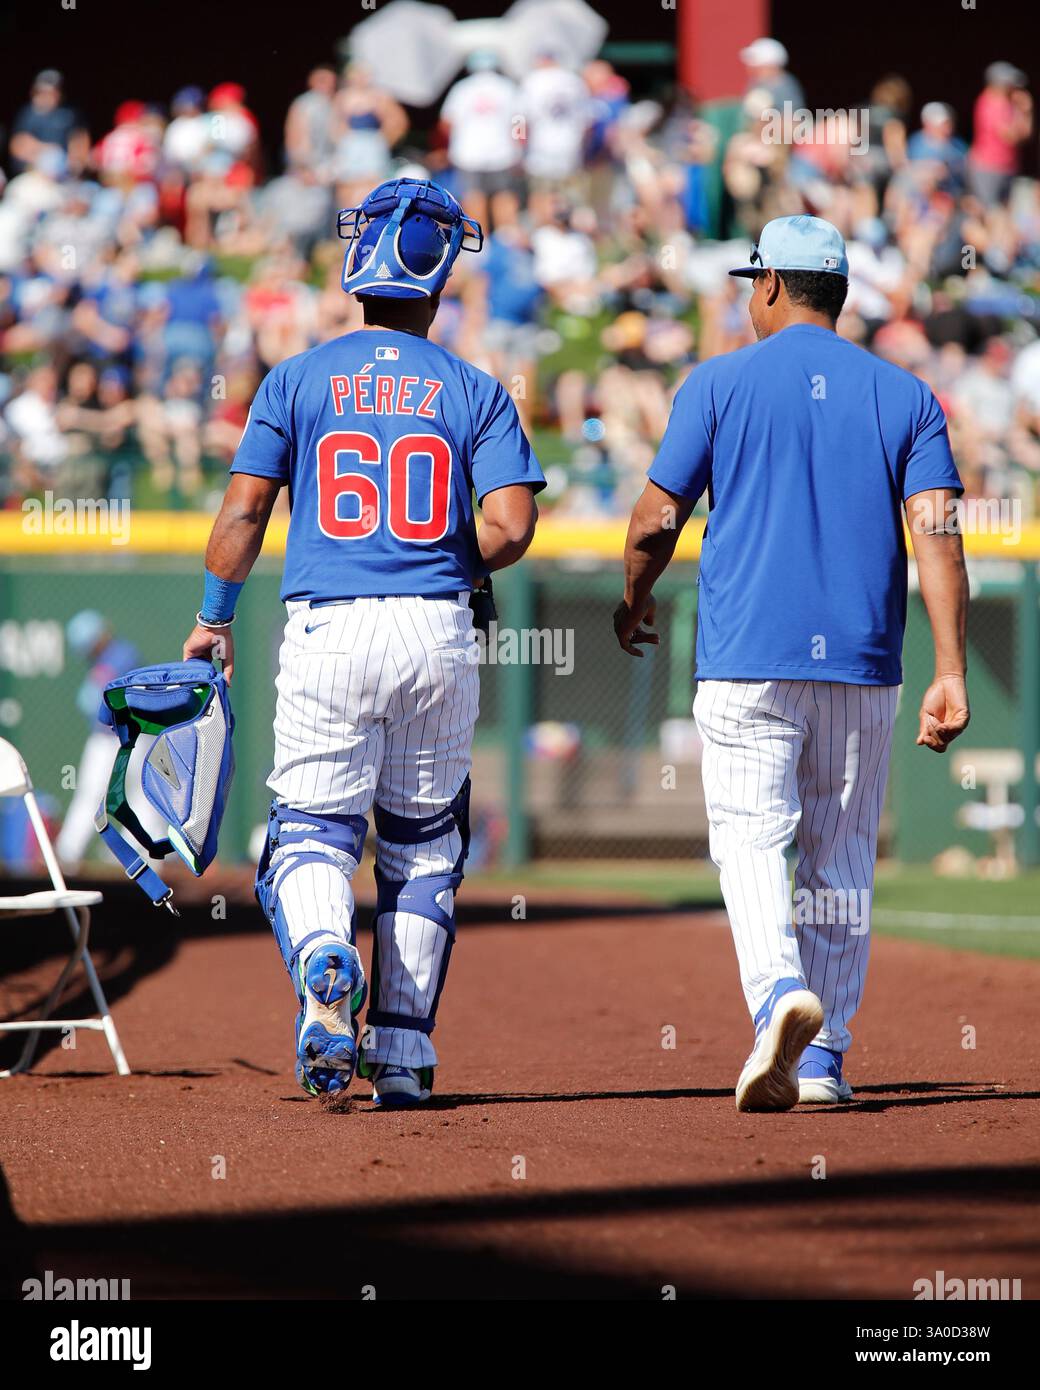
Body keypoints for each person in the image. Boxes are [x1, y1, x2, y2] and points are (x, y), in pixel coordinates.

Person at [182, 178, 544, 1110]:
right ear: (436, 277)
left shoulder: (297, 377)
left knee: (309, 833)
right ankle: (405, 1058)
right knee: (424, 848)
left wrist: (214, 618)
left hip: (329, 624)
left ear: (360, 268)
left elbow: (244, 512)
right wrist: (441, 561)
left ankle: (320, 954)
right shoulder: (473, 387)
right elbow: (511, 526)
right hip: (436, 626)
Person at [614, 215, 969, 1112]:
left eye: (751, 282)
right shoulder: (908, 395)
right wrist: (953, 668)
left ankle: (779, 995)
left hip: (745, 660)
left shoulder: (718, 381)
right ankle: (823, 1061)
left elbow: (657, 518)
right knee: (841, 858)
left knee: (751, 841)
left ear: (769, 285)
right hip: (863, 662)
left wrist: (635, 597)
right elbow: (938, 535)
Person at [55, 612, 140, 867]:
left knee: (140, 796)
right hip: (116, 737)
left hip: (120, 737)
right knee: (96, 795)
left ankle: (125, 854)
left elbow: (92, 700)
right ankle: (68, 852)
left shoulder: (120, 654)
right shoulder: (111, 656)